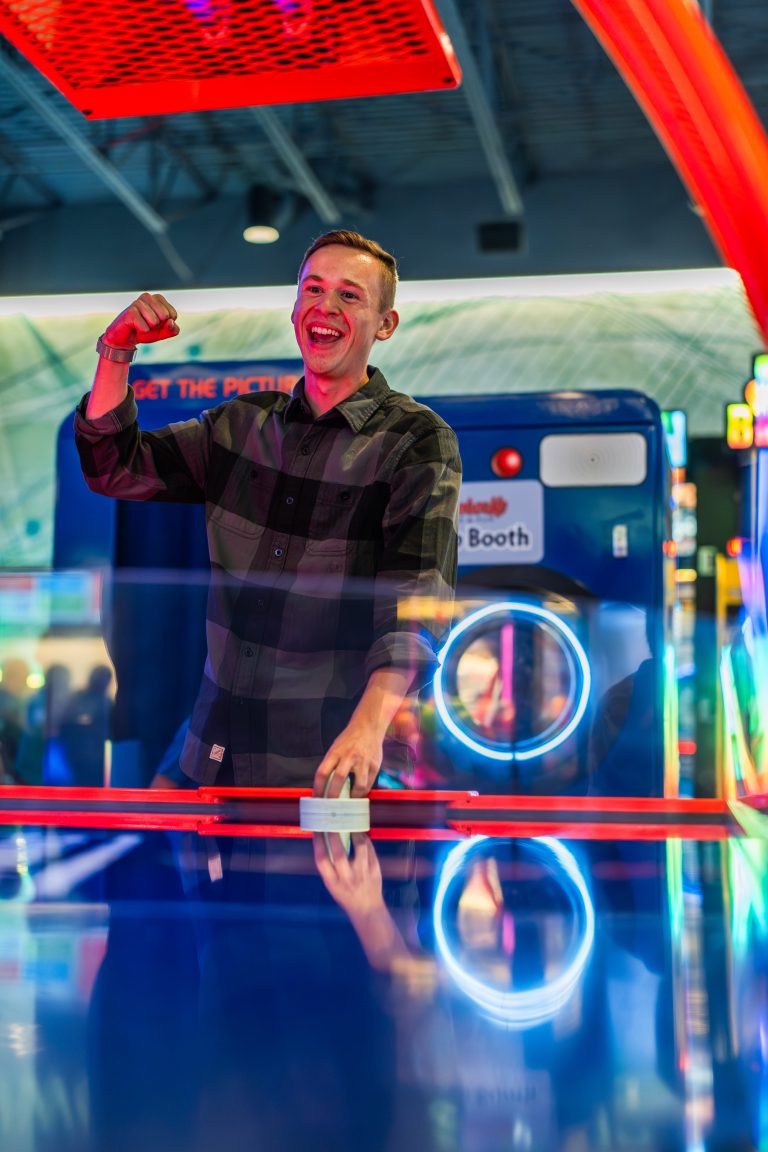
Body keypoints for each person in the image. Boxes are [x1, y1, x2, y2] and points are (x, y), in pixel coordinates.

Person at [75, 230, 461, 797]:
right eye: (313, 289)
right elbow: (112, 467)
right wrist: (115, 351)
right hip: (218, 761)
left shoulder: (417, 440)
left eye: (350, 296)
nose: (325, 307)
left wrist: (368, 729)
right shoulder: (239, 425)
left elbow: (415, 608)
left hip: (340, 769)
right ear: (295, 308)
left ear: (386, 324)